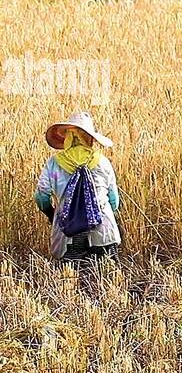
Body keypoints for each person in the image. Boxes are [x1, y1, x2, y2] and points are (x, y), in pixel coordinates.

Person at [35, 112, 121, 263]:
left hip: (68, 235)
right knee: (103, 277)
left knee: (70, 280)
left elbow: (42, 196)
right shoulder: (102, 162)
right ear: (90, 139)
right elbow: (113, 200)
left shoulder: (54, 164)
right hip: (104, 235)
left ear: (67, 137)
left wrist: (51, 214)